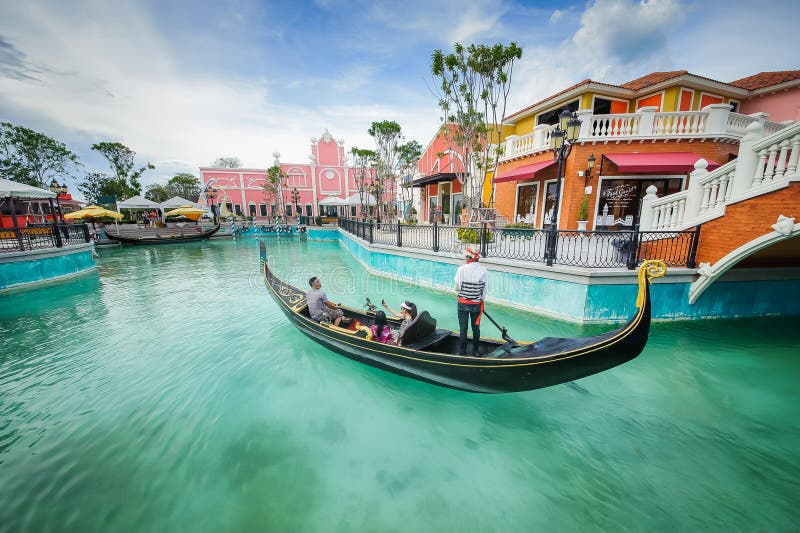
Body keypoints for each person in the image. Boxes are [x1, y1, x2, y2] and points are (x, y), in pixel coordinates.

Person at [455, 246, 488, 356]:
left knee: (463, 329)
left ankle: (462, 352)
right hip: (476, 305)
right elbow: (484, 290)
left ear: (469, 257)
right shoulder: (483, 271)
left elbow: (457, 287)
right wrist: (479, 300)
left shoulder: (461, 269)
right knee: (476, 328)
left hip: (463, 303)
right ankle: (475, 351)